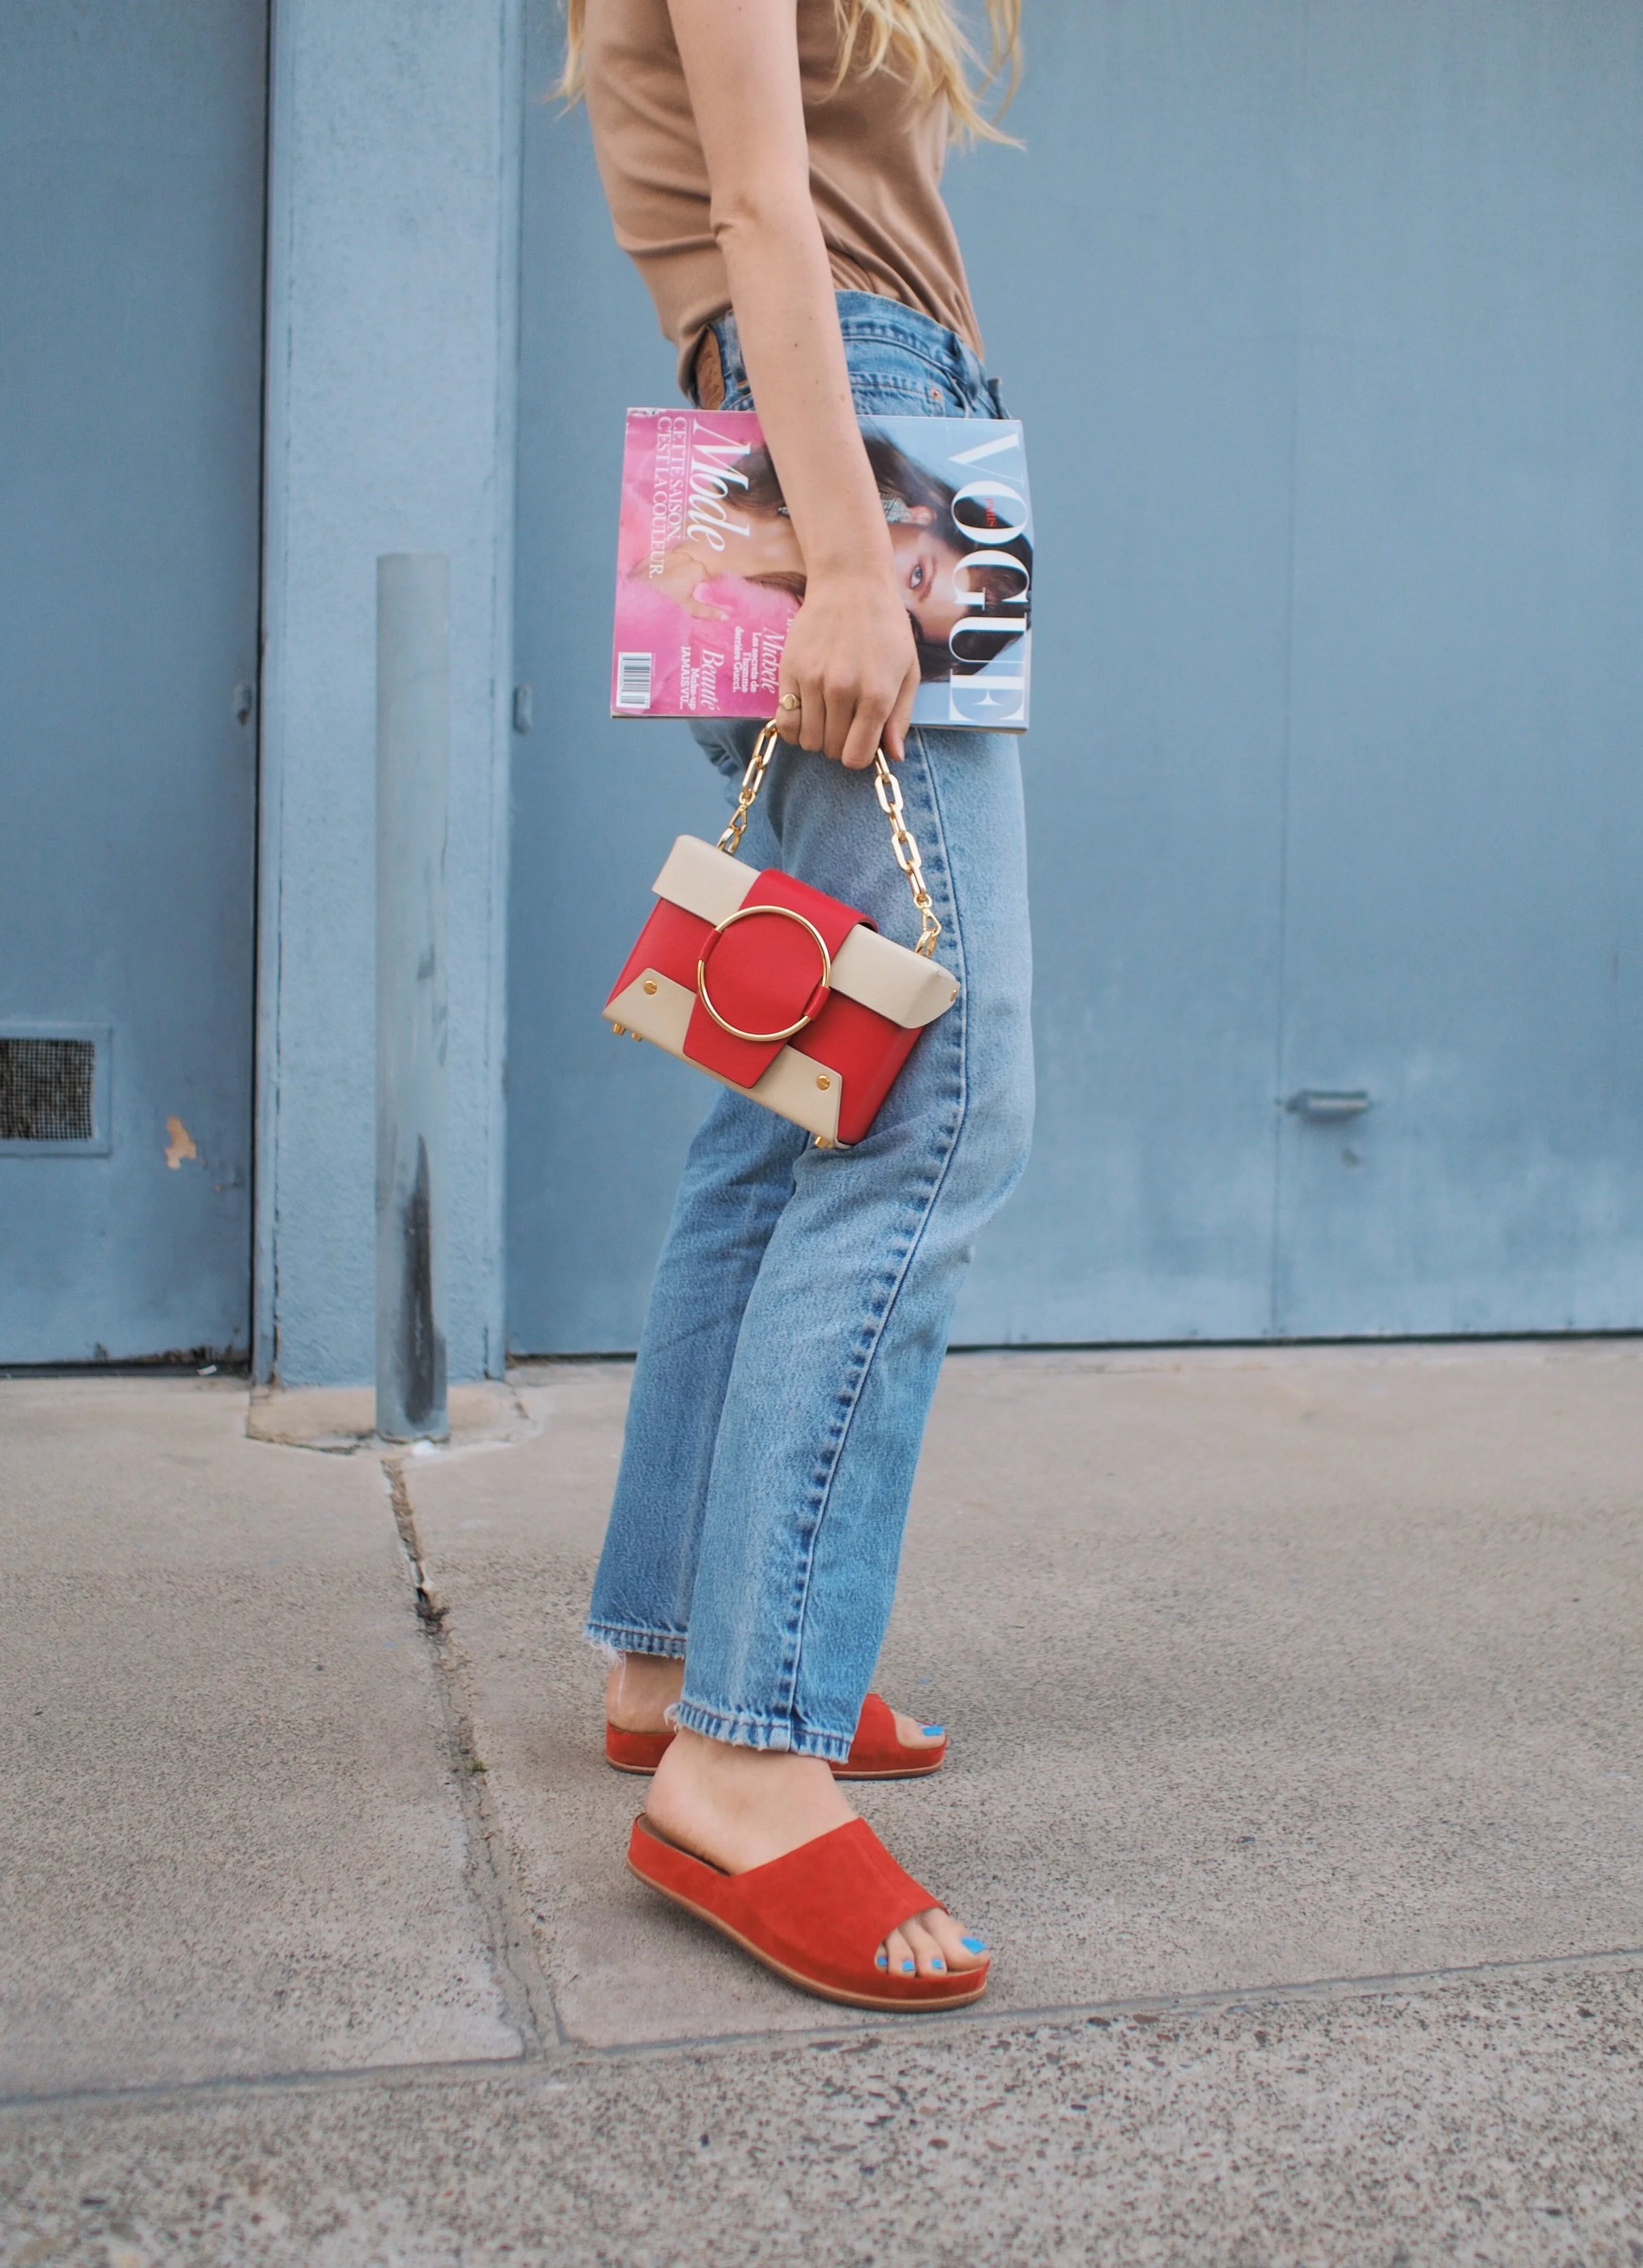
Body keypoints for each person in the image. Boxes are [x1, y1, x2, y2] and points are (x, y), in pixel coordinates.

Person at [567, 0, 1032, 2009]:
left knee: (799, 1088)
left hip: (867, 414)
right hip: (839, 424)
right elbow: (764, 198)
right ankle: (740, 1767)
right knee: (938, 1097)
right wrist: (851, 564)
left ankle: (685, 1649)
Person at [636, 428, 1034, 683]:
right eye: (917, 576)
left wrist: (652, 608)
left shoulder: (752, 639)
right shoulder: (762, 442)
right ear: (920, 516)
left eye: (905, 621)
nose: (887, 602)